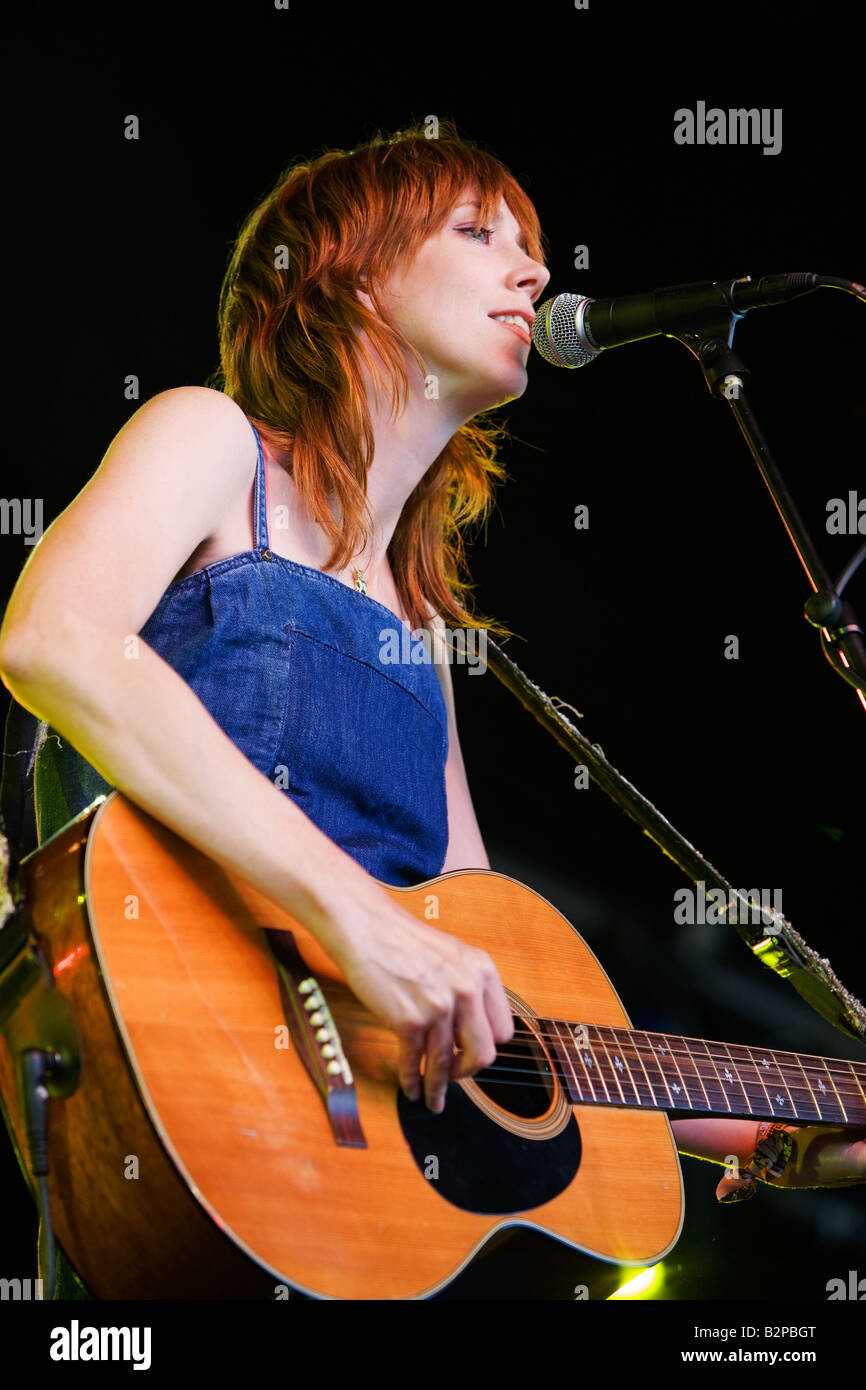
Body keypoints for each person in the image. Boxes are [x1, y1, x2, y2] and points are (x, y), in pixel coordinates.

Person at [0, 119, 862, 1300]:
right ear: (350, 271)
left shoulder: (422, 631)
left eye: (532, 246)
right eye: (479, 233)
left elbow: (490, 988)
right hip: (176, 1062)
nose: (534, 273)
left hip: (341, 1182)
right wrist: (359, 919)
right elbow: (55, 638)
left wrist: (754, 1133)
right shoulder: (210, 442)